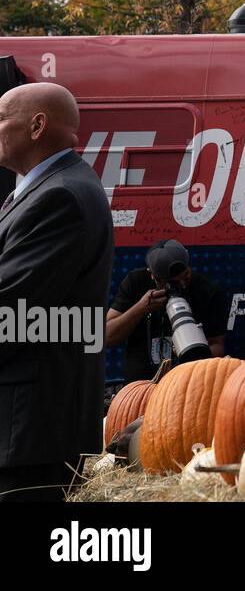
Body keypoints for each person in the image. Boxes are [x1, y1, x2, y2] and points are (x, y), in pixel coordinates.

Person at [0, 83, 112, 502]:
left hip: (30, 432)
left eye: (1, 117)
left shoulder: (59, 196)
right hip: (29, 428)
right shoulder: (44, 189)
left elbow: (10, 311)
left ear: (37, 126)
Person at [106, 239, 227, 382]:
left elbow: (217, 344)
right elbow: (107, 336)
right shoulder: (136, 282)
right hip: (141, 387)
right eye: (170, 283)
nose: (181, 285)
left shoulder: (208, 291)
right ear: (152, 274)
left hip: (188, 382)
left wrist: (195, 354)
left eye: (185, 276)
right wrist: (140, 308)